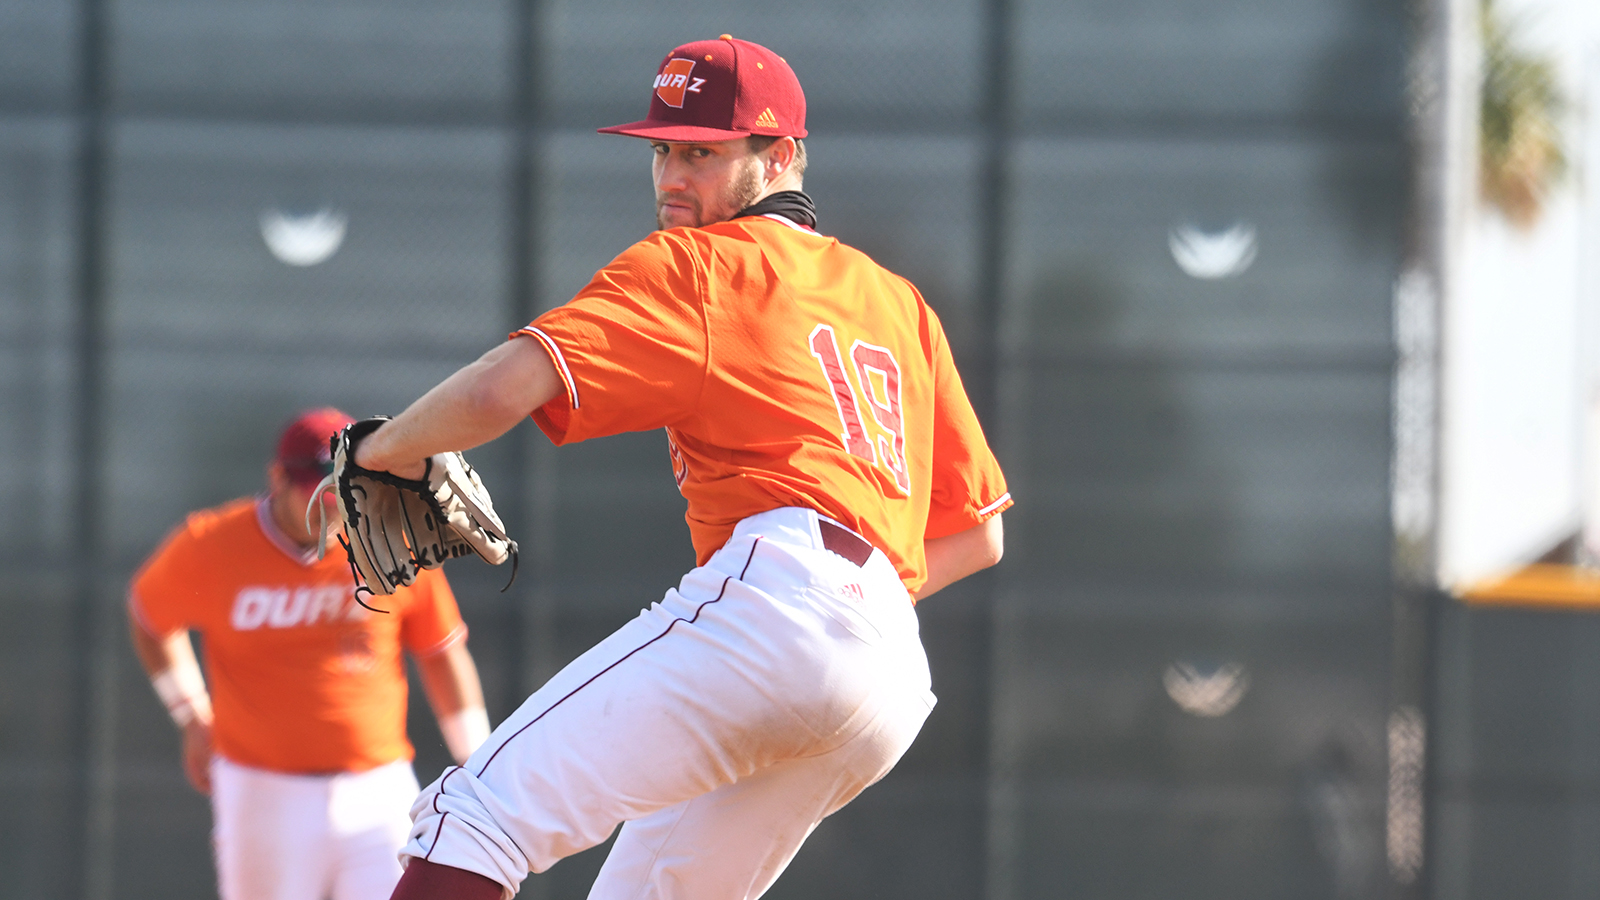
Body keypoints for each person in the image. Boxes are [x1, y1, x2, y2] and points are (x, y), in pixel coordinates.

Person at [362, 35, 1012, 900]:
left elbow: (499, 392)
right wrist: (850, 611)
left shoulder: (700, 266)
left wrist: (375, 451)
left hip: (778, 598)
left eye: (703, 152)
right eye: (663, 149)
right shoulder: (899, 303)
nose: (671, 174)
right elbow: (978, 534)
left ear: (781, 156)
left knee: (476, 815)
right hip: (887, 667)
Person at [128, 407, 493, 900]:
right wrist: (190, 712)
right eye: (317, 486)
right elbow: (150, 616)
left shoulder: (388, 538)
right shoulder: (212, 544)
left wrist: (476, 760)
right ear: (278, 478)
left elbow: (441, 650)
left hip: (378, 790)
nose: (331, 501)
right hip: (261, 790)